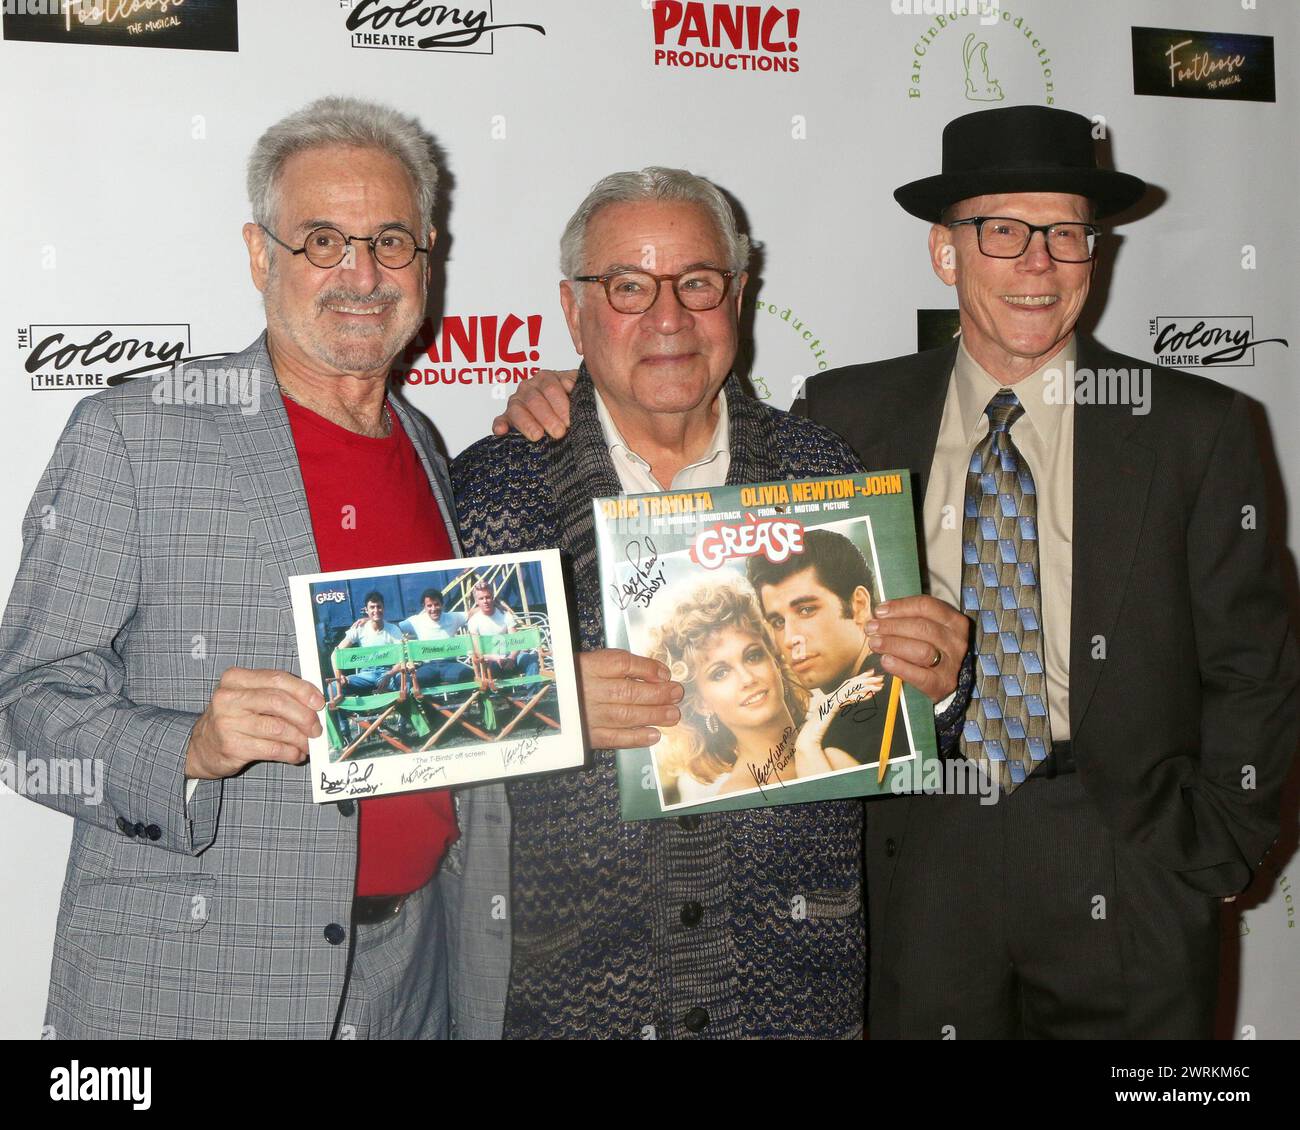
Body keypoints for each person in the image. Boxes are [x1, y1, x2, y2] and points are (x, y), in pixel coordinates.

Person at [492, 109, 1299, 1040]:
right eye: (1003, 231)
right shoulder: (845, 417)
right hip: (916, 856)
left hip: (1129, 855)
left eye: (1066, 234)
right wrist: (564, 393)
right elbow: (677, 398)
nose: (1037, 264)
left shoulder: (1194, 427)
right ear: (945, 252)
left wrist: (1219, 848)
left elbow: (1255, 664)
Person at [0, 97, 508, 1039]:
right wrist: (188, 749)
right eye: (323, 240)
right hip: (203, 990)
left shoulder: (427, 447)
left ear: (427, 255)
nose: (362, 273)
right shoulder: (133, 435)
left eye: (390, 241)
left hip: (410, 978)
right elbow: (25, 706)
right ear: (258, 254)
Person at [453, 167, 972, 1039]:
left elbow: (893, 738)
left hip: (791, 1000)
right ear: (573, 310)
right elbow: (425, 748)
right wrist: (543, 702)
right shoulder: (490, 492)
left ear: (738, 296)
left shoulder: (825, 474)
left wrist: (940, 688)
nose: (668, 317)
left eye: (696, 282)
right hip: (576, 1004)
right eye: (628, 287)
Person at [646, 578, 871, 804]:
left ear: (775, 659)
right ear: (701, 704)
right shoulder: (737, 797)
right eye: (720, 673)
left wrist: (808, 747)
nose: (747, 678)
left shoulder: (847, 729)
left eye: (753, 656)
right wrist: (807, 749)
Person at [747, 528, 904, 767]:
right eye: (778, 622)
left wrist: (806, 747)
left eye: (806, 610)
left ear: (859, 605)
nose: (789, 639)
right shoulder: (891, 675)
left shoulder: (843, 736)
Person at [332, 591, 405, 693]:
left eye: (379, 607)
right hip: (365, 675)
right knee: (334, 687)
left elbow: (403, 658)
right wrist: (339, 676)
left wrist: (389, 675)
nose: (376, 610)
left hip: (387, 672)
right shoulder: (359, 628)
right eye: (372, 607)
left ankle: (392, 699)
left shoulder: (393, 630)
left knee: (405, 682)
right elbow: (336, 654)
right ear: (366, 610)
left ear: (384, 608)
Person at [465, 580, 539, 680]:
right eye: (481, 598)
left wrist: (511, 658)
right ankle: (505, 689)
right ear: (477, 601)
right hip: (489, 661)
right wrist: (496, 658)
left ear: (492, 597)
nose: (485, 601)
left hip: (509, 658)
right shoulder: (474, 621)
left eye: (488, 597)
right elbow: (478, 651)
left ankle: (532, 689)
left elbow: (516, 642)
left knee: (529, 659)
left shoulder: (505, 615)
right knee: (489, 665)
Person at [400, 587, 470, 693]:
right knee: (412, 682)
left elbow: (472, 613)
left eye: (437, 604)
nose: (433, 609)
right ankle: (428, 704)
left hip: (450, 665)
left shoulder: (453, 617)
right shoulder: (416, 621)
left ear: (442, 605)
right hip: (429, 667)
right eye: (429, 605)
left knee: (468, 674)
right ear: (424, 607)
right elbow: (394, 628)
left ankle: (466, 702)